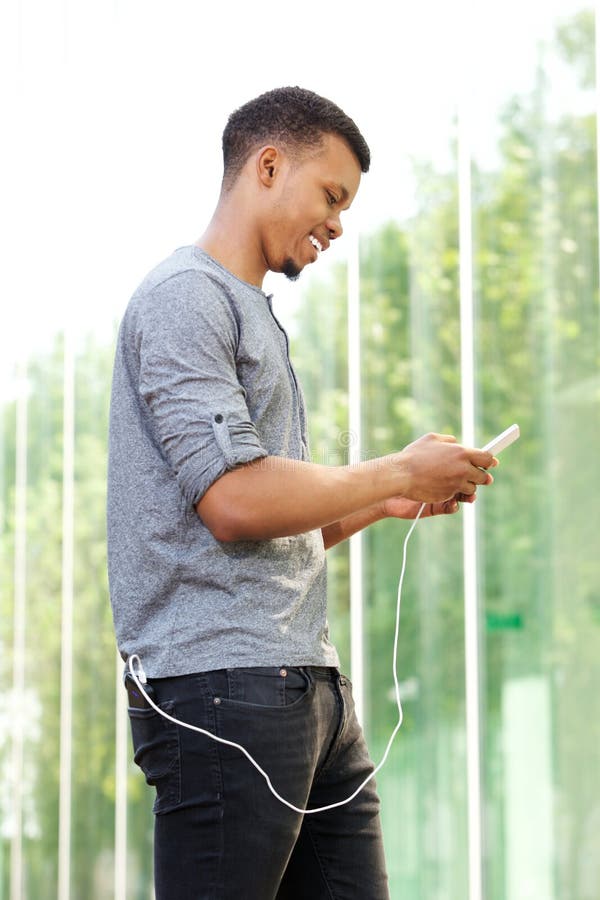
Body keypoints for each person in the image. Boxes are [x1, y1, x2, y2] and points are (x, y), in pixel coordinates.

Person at [107, 86, 495, 900]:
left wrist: (384, 502)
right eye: (331, 195)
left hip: (305, 689)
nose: (338, 224)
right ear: (269, 165)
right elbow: (235, 501)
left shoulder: (250, 315)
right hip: (224, 692)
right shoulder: (187, 298)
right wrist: (394, 469)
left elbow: (263, 528)